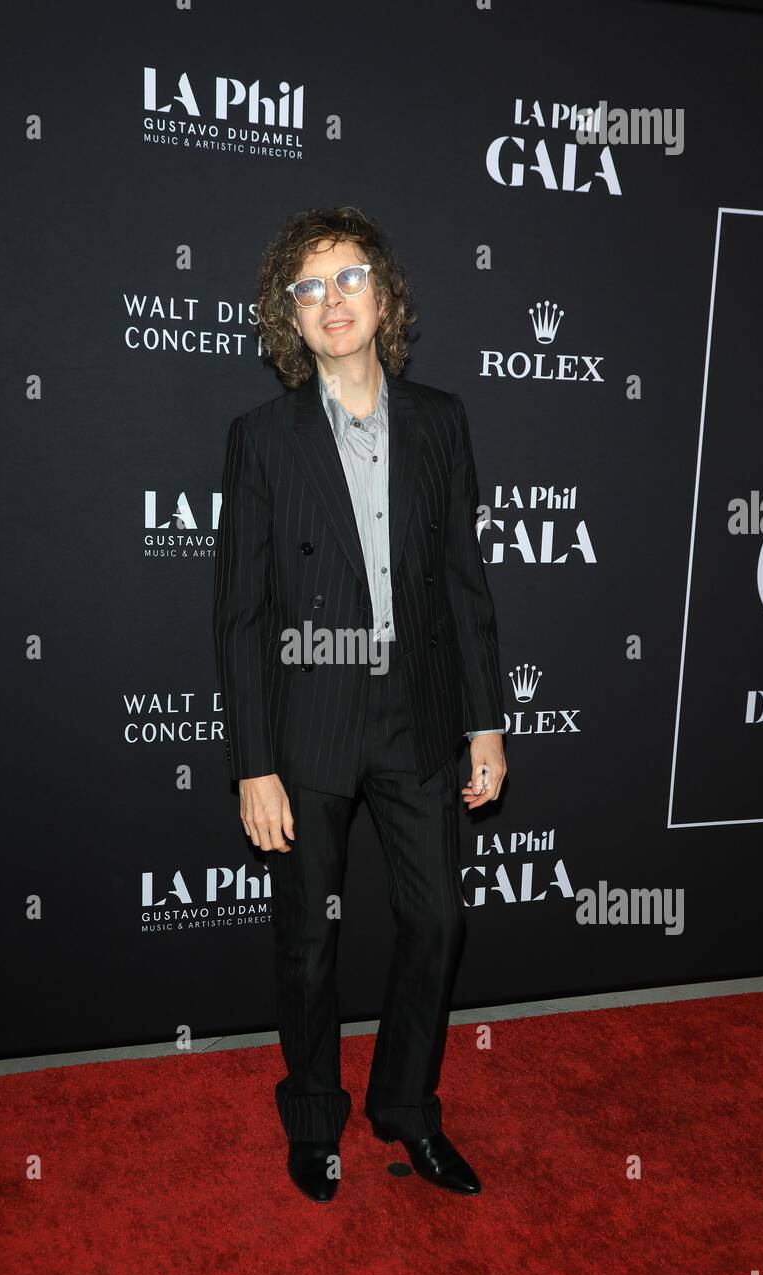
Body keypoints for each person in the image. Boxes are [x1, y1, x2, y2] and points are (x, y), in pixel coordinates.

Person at [213, 206, 507, 1203]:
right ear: (287, 316)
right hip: (309, 724)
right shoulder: (260, 441)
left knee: (435, 923)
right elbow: (242, 616)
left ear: (383, 297)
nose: (330, 301)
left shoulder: (442, 421)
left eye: (348, 280)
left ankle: (405, 1108)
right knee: (308, 940)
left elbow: (464, 581)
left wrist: (485, 719)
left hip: (418, 714)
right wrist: (253, 764)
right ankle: (312, 1119)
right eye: (308, 287)